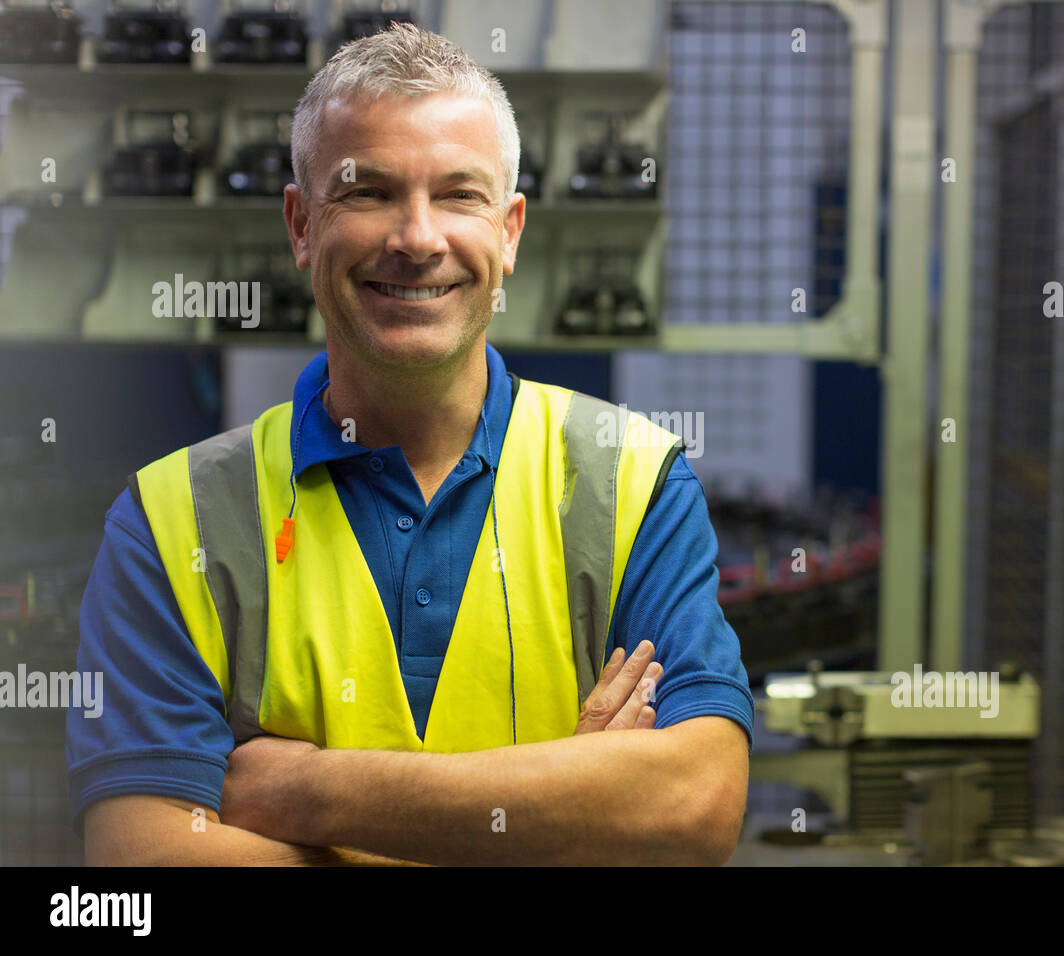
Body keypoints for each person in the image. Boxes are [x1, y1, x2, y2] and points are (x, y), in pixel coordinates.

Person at [66, 24, 752, 866]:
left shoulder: (634, 484)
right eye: (369, 192)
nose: (417, 237)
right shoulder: (171, 525)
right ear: (301, 225)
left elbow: (696, 804)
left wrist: (307, 793)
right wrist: (562, 810)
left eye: (459, 195)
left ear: (509, 231)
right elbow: (139, 860)